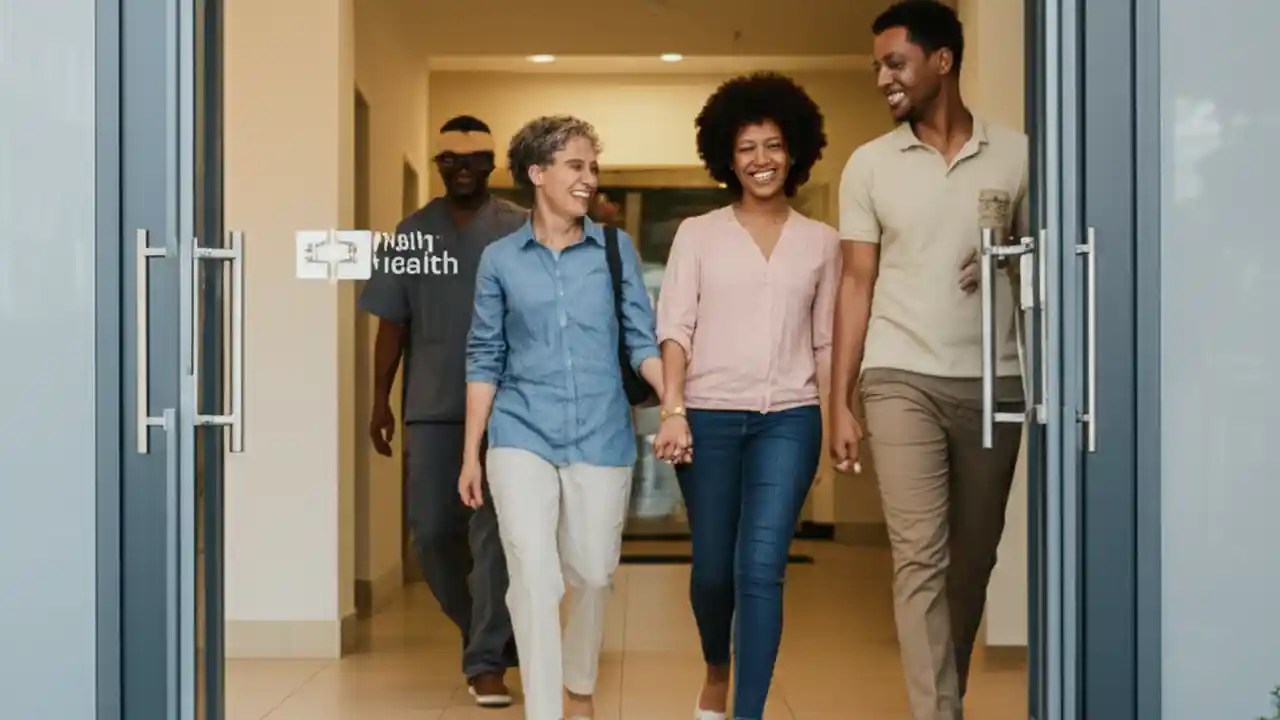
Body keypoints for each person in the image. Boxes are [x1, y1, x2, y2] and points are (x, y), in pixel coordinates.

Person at [827, 2, 1030, 718]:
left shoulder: (1018, 153)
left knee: (971, 564)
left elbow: (1049, 261)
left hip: (994, 378)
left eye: (895, 63)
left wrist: (1011, 255)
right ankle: (936, 714)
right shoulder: (870, 165)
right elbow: (856, 283)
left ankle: (949, 696)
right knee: (920, 557)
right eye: (878, 65)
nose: (883, 77)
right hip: (898, 377)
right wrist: (839, 399)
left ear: (941, 62)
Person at [459, 115, 664, 720]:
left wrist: (676, 401)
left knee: (594, 573)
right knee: (534, 574)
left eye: (592, 167)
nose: (589, 178)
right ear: (538, 173)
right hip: (520, 432)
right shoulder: (500, 259)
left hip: (601, 433)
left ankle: (579, 682)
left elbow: (641, 341)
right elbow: (484, 356)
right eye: (576, 165)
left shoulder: (614, 249)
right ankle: (547, 710)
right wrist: (472, 452)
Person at [651, 72, 841, 720]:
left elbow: (825, 342)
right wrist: (673, 409)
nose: (761, 159)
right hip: (708, 416)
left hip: (789, 418)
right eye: (747, 148)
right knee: (712, 573)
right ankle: (715, 668)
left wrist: (839, 410)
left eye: (773, 145)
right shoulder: (698, 235)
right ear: (727, 159)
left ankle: (748, 713)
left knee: (761, 568)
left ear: (795, 152)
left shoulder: (823, 243)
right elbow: (674, 326)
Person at [358, 115, 527, 707]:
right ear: (439, 167)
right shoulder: (413, 234)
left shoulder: (517, 230)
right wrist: (379, 399)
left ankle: (485, 661)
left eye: (473, 160)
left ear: (489, 165)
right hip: (433, 410)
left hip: (509, 410)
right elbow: (392, 323)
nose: (461, 169)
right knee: (431, 536)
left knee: (494, 540)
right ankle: (490, 636)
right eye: (449, 160)